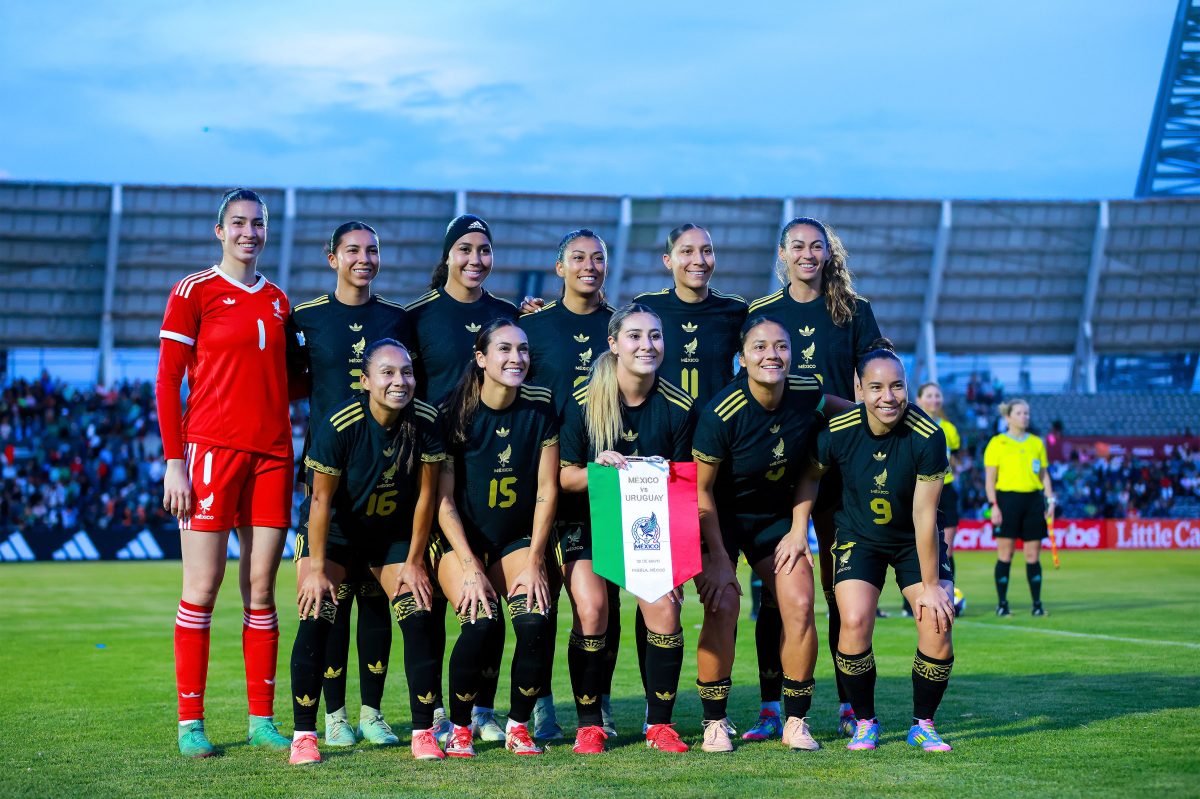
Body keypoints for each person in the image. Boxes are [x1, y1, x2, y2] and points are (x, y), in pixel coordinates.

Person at [157, 188, 299, 757]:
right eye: (238, 223)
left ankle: (261, 722)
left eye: (258, 223)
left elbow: (293, 380)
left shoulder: (280, 301)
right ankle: (190, 724)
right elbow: (168, 381)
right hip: (211, 452)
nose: (249, 232)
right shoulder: (194, 292)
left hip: (273, 456)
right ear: (220, 231)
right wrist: (174, 461)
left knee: (261, 590)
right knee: (202, 590)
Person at [288, 339, 462, 765]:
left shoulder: (425, 420)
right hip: (337, 538)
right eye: (387, 373)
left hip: (392, 539)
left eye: (406, 372)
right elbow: (321, 503)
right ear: (365, 381)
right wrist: (314, 568)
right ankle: (305, 734)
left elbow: (426, 499)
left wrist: (416, 561)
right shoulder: (339, 424)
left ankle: (423, 731)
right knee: (316, 615)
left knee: (418, 612)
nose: (399, 381)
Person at [747, 216, 882, 737]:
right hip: (778, 466)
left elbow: (877, 377)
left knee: (837, 587)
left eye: (816, 246)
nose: (807, 254)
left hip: (839, 467)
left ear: (828, 253)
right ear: (782, 254)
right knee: (776, 591)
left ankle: (850, 706)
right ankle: (770, 705)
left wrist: (850, 417)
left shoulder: (854, 311)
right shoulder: (761, 312)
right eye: (797, 246)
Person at [691, 317, 850, 753]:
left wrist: (800, 529)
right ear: (742, 358)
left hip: (775, 520)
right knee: (723, 604)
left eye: (780, 346)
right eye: (760, 347)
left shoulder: (805, 391)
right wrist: (720, 559)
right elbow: (702, 494)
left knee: (800, 602)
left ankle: (795, 721)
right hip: (719, 519)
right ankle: (715, 721)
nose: (771, 355)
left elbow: (852, 413)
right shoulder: (721, 413)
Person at [797, 338, 957, 752]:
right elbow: (811, 476)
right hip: (858, 537)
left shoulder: (928, 435)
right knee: (853, 621)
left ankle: (923, 723)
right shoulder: (838, 430)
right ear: (859, 389)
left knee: (937, 623)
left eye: (897, 386)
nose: (889, 397)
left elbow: (925, 516)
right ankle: (865, 720)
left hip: (913, 542)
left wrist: (929, 586)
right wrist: (799, 528)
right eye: (877, 387)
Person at [290, 221, 414, 747]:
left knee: (375, 600)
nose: (364, 259)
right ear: (331, 257)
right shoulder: (307, 319)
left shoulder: (396, 319)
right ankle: (334, 715)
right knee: (330, 598)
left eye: (372, 251)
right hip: (328, 479)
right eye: (353, 251)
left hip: (384, 480)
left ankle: (371, 712)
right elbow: (288, 382)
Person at [558, 304, 696, 754]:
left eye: (654, 336)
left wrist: (676, 562)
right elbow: (563, 477)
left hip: (648, 527)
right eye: (634, 336)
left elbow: (682, 486)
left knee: (664, 607)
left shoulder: (678, 406)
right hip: (589, 521)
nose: (646, 345)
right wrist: (601, 470)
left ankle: (660, 725)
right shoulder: (583, 401)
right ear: (613, 344)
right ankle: (589, 723)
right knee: (593, 609)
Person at [406, 214, 519, 741]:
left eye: (485, 250)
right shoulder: (418, 316)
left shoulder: (506, 314)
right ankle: (427, 715)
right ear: (448, 254)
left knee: (489, 594)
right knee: (428, 602)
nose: (476, 259)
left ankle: (483, 710)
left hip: (492, 467)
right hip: (431, 469)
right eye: (465, 249)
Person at [436, 320, 560, 757]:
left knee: (535, 618)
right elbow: (444, 501)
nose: (516, 358)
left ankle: (518, 726)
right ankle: (460, 728)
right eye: (504, 349)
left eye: (523, 349)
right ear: (481, 358)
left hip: (515, 539)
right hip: (463, 542)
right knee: (481, 621)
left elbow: (547, 490)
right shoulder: (452, 411)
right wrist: (469, 565)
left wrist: (534, 561)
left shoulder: (541, 405)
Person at [518, 229, 615, 738]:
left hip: (598, 478)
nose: (589, 266)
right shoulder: (533, 326)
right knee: (541, 598)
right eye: (578, 258)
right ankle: (539, 701)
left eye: (598, 258)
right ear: (559, 268)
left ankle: (596, 699)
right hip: (540, 475)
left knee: (601, 601)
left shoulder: (619, 328)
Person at [985, 398, 1055, 616]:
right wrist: (993, 505)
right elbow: (990, 479)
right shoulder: (997, 443)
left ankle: (1037, 605)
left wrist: (1050, 500)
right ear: (1008, 417)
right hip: (1007, 501)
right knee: (1005, 554)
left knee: (1033, 555)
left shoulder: (1036, 443)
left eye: (1026, 413)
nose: (1025, 416)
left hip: (1033, 500)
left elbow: (1044, 476)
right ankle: (1002, 604)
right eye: (1019, 413)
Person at [903, 382, 962, 617]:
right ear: (918, 398)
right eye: (929, 395)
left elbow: (955, 457)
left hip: (946, 489)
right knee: (916, 545)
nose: (934, 400)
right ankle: (910, 602)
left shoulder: (950, 428)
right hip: (919, 489)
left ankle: (949, 597)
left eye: (938, 396)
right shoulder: (911, 425)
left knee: (946, 549)